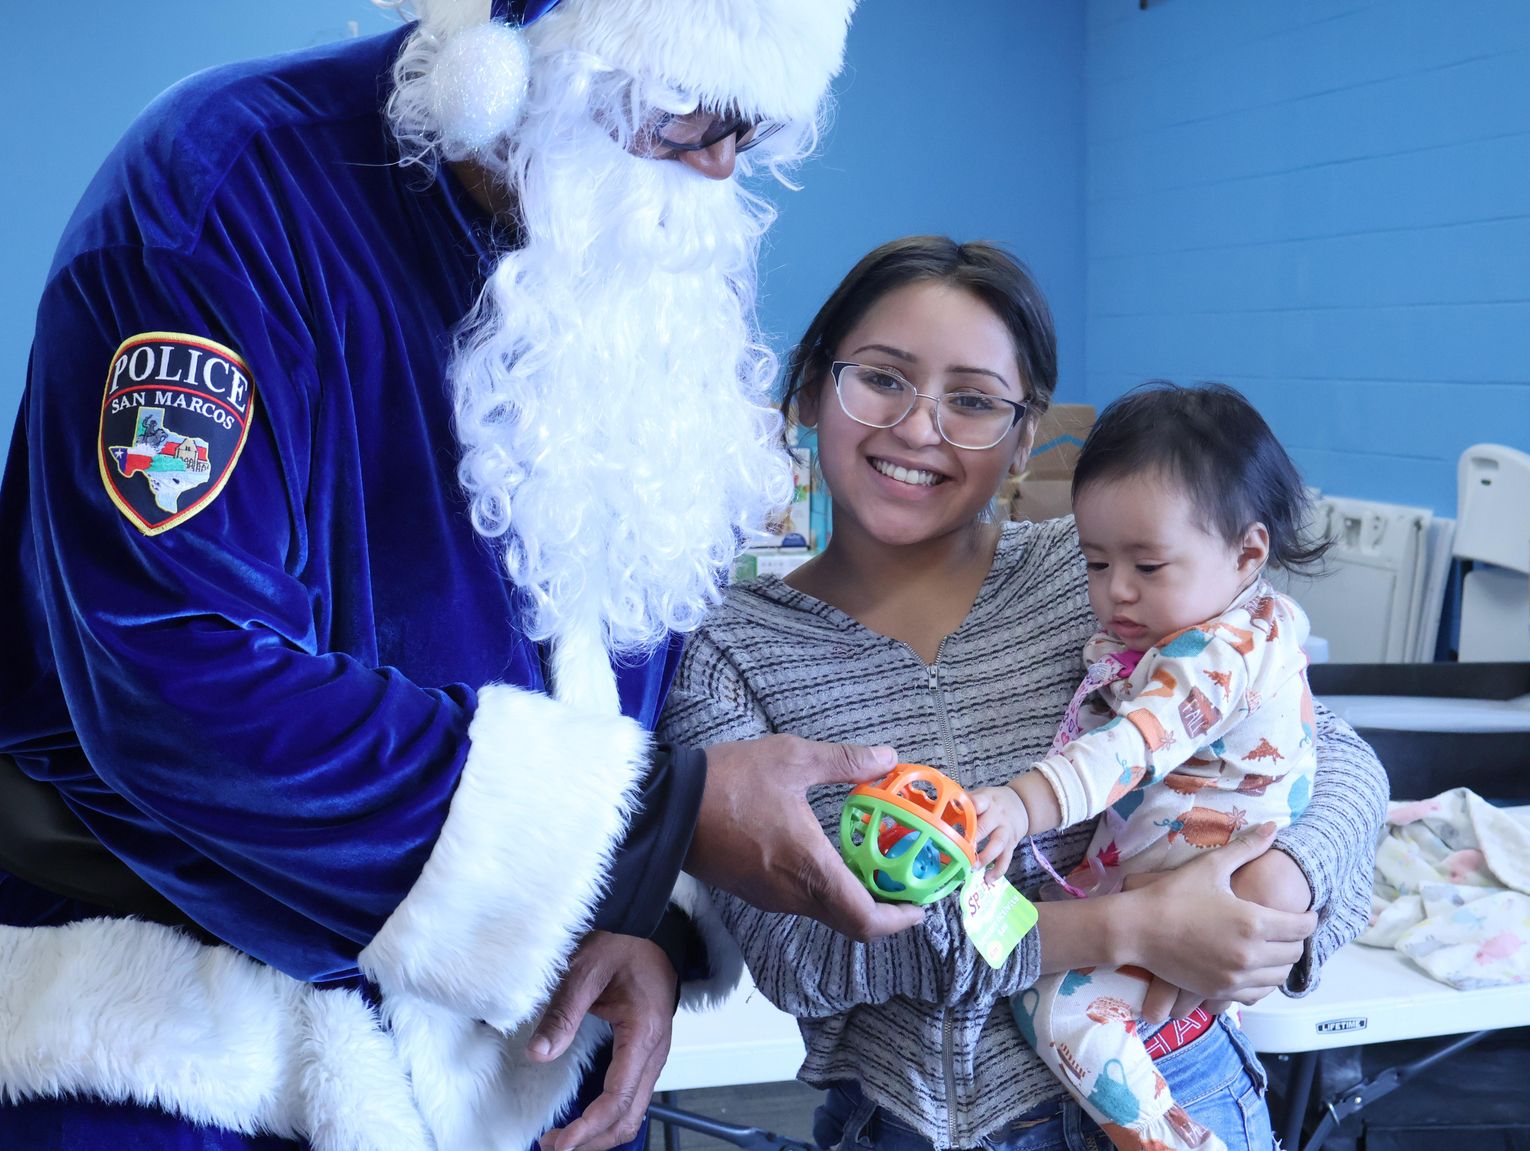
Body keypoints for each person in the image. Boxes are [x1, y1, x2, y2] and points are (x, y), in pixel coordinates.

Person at [0, 2, 932, 1149]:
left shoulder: (628, 225)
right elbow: (172, 671)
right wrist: (654, 825)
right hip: (196, 1049)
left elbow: (636, 629)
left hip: (526, 1057)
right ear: (521, 51)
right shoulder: (221, 194)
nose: (724, 161)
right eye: (694, 109)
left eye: (755, 125)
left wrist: (643, 918)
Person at [657, 236, 1387, 1151]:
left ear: (1023, 435)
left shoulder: (1096, 574)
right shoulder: (727, 650)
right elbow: (804, 957)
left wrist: (1285, 877)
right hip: (910, 1128)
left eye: (972, 400)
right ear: (811, 388)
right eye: (883, 378)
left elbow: (1326, 744)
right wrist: (1130, 926)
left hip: (1179, 1081)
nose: (921, 428)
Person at [972, 382, 1329, 1151]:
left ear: (1249, 552)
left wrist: (1018, 802)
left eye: (1148, 565)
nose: (1115, 591)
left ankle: (1167, 1139)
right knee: (1007, 943)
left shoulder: (1212, 655)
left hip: (1194, 877)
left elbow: (1128, 746)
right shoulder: (1243, 618)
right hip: (1152, 884)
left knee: (1055, 1007)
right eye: (1095, 562)